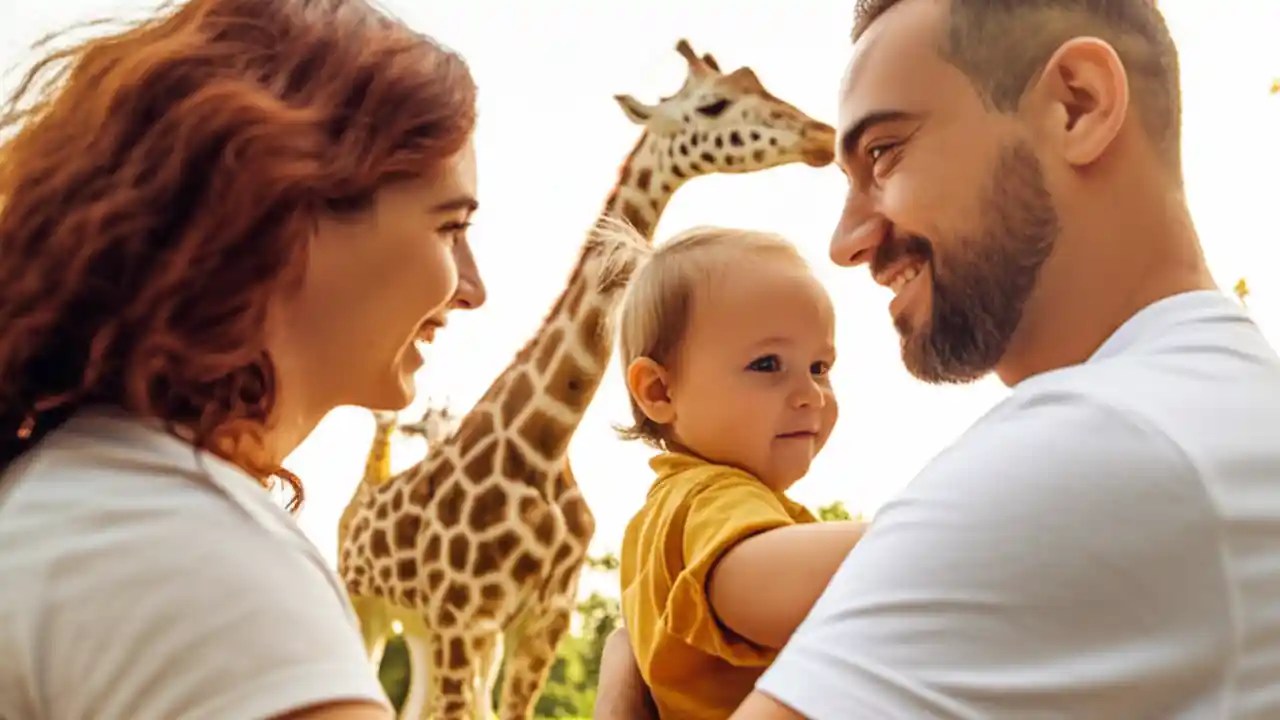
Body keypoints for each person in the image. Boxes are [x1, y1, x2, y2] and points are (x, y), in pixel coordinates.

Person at [595, 0, 1280, 718]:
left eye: (884, 152)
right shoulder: (1232, 413)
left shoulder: (1094, 445)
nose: (846, 240)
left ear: (1076, 106)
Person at [0, 1, 485, 718]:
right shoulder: (196, 561)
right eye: (450, 228)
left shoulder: (66, 496)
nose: (473, 288)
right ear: (285, 209)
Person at [611, 226, 865, 719]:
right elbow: (767, 590)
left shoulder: (676, 507)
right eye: (768, 364)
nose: (810, 394)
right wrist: (929, 536)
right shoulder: (707, 496)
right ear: (660, 392)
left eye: (819, 367)